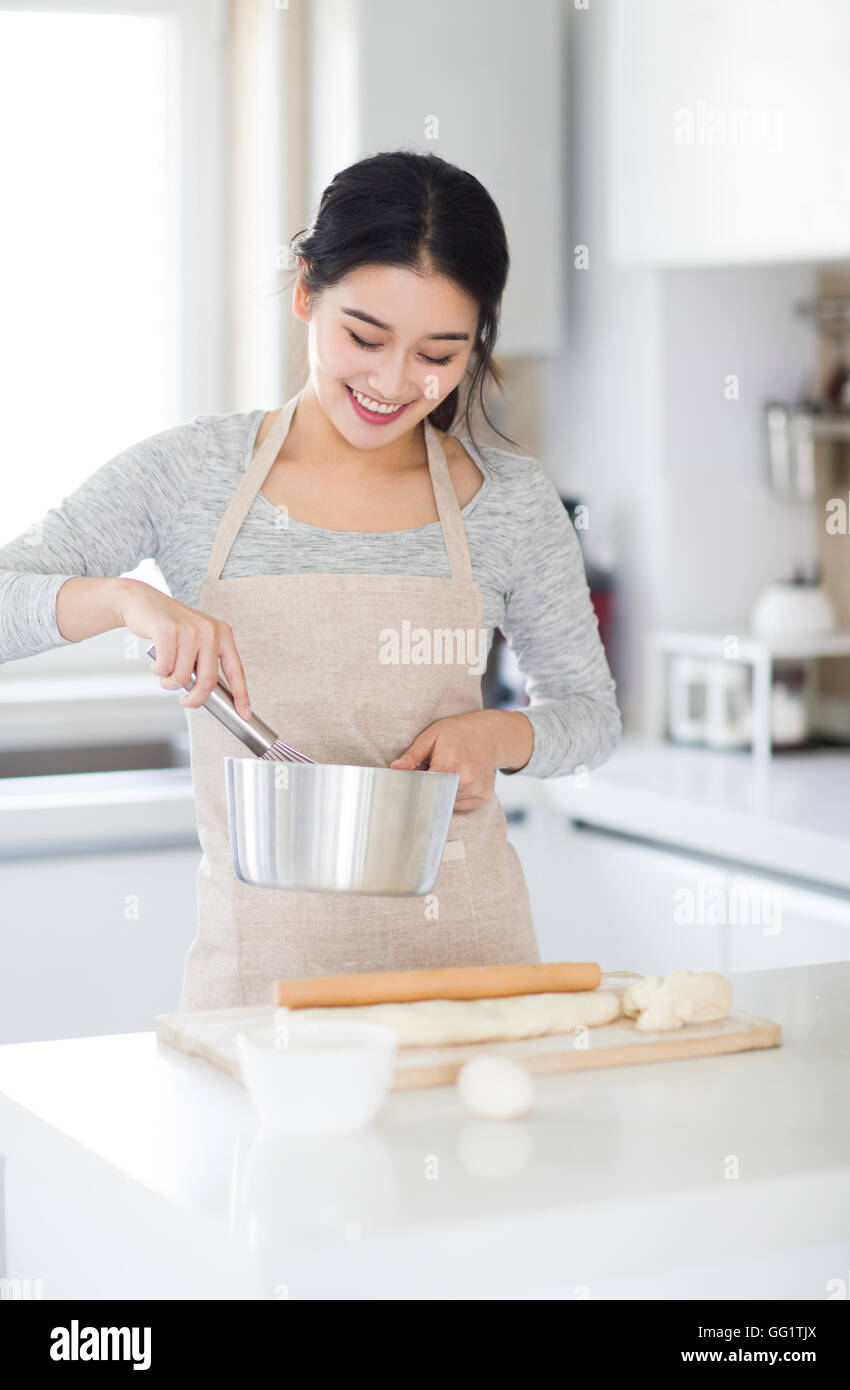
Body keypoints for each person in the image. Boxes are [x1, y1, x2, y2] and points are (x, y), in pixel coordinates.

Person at [0, 151, 621, 1009]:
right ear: (305, 291)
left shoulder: (508, 501)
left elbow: (589, 714)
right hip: (264, 995)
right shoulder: (193, 475)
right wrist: (122, 601)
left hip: (473, 983)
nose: (394, 383)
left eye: (439, 353)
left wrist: (497, 738)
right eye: (363, 338)